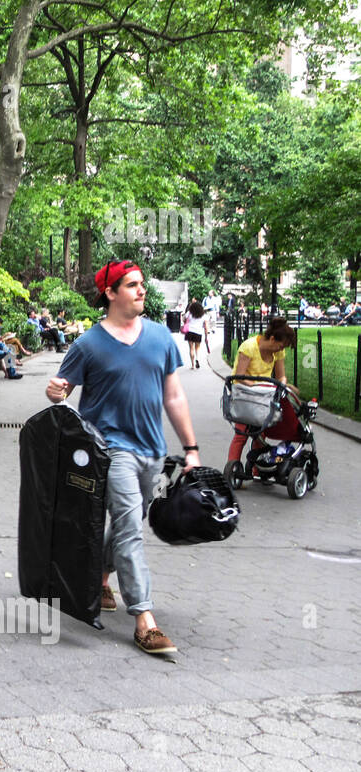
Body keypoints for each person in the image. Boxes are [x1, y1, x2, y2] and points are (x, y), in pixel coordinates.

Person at [46, 259, 201, 657]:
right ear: (111, 293)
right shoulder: (88, 345)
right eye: (132, 285)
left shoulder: (160, 338)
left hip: (152, 450)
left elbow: (174, 396)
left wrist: (191, 449)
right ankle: (144, 620)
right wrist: (55, 392)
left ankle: (96, 575)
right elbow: (62, 392)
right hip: (111, 450)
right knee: (131, 527)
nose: (141, 291)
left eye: (142, 285)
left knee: (130, 522)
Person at [227, 316, 301, 465]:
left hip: (264, 396)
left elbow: (281, 376)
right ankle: (232, 467)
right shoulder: (249, 348)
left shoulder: (277, 352)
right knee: (242, 434)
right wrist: (258, 386)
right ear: (272, 339)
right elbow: (239, 376)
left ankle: (259, 469)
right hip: (245, 395)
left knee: (261, 434)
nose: (281, 350)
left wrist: (283, 385)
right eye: (281, 346)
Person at [181, 298, 206, 370]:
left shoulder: (189, 313)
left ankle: (192, 365)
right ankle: (197, 358)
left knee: (191, 348)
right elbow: (205, 325)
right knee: (197, 348)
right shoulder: (202, 315)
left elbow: (183, 319)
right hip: (198, 332)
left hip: (190, 332)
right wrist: (206, 335)